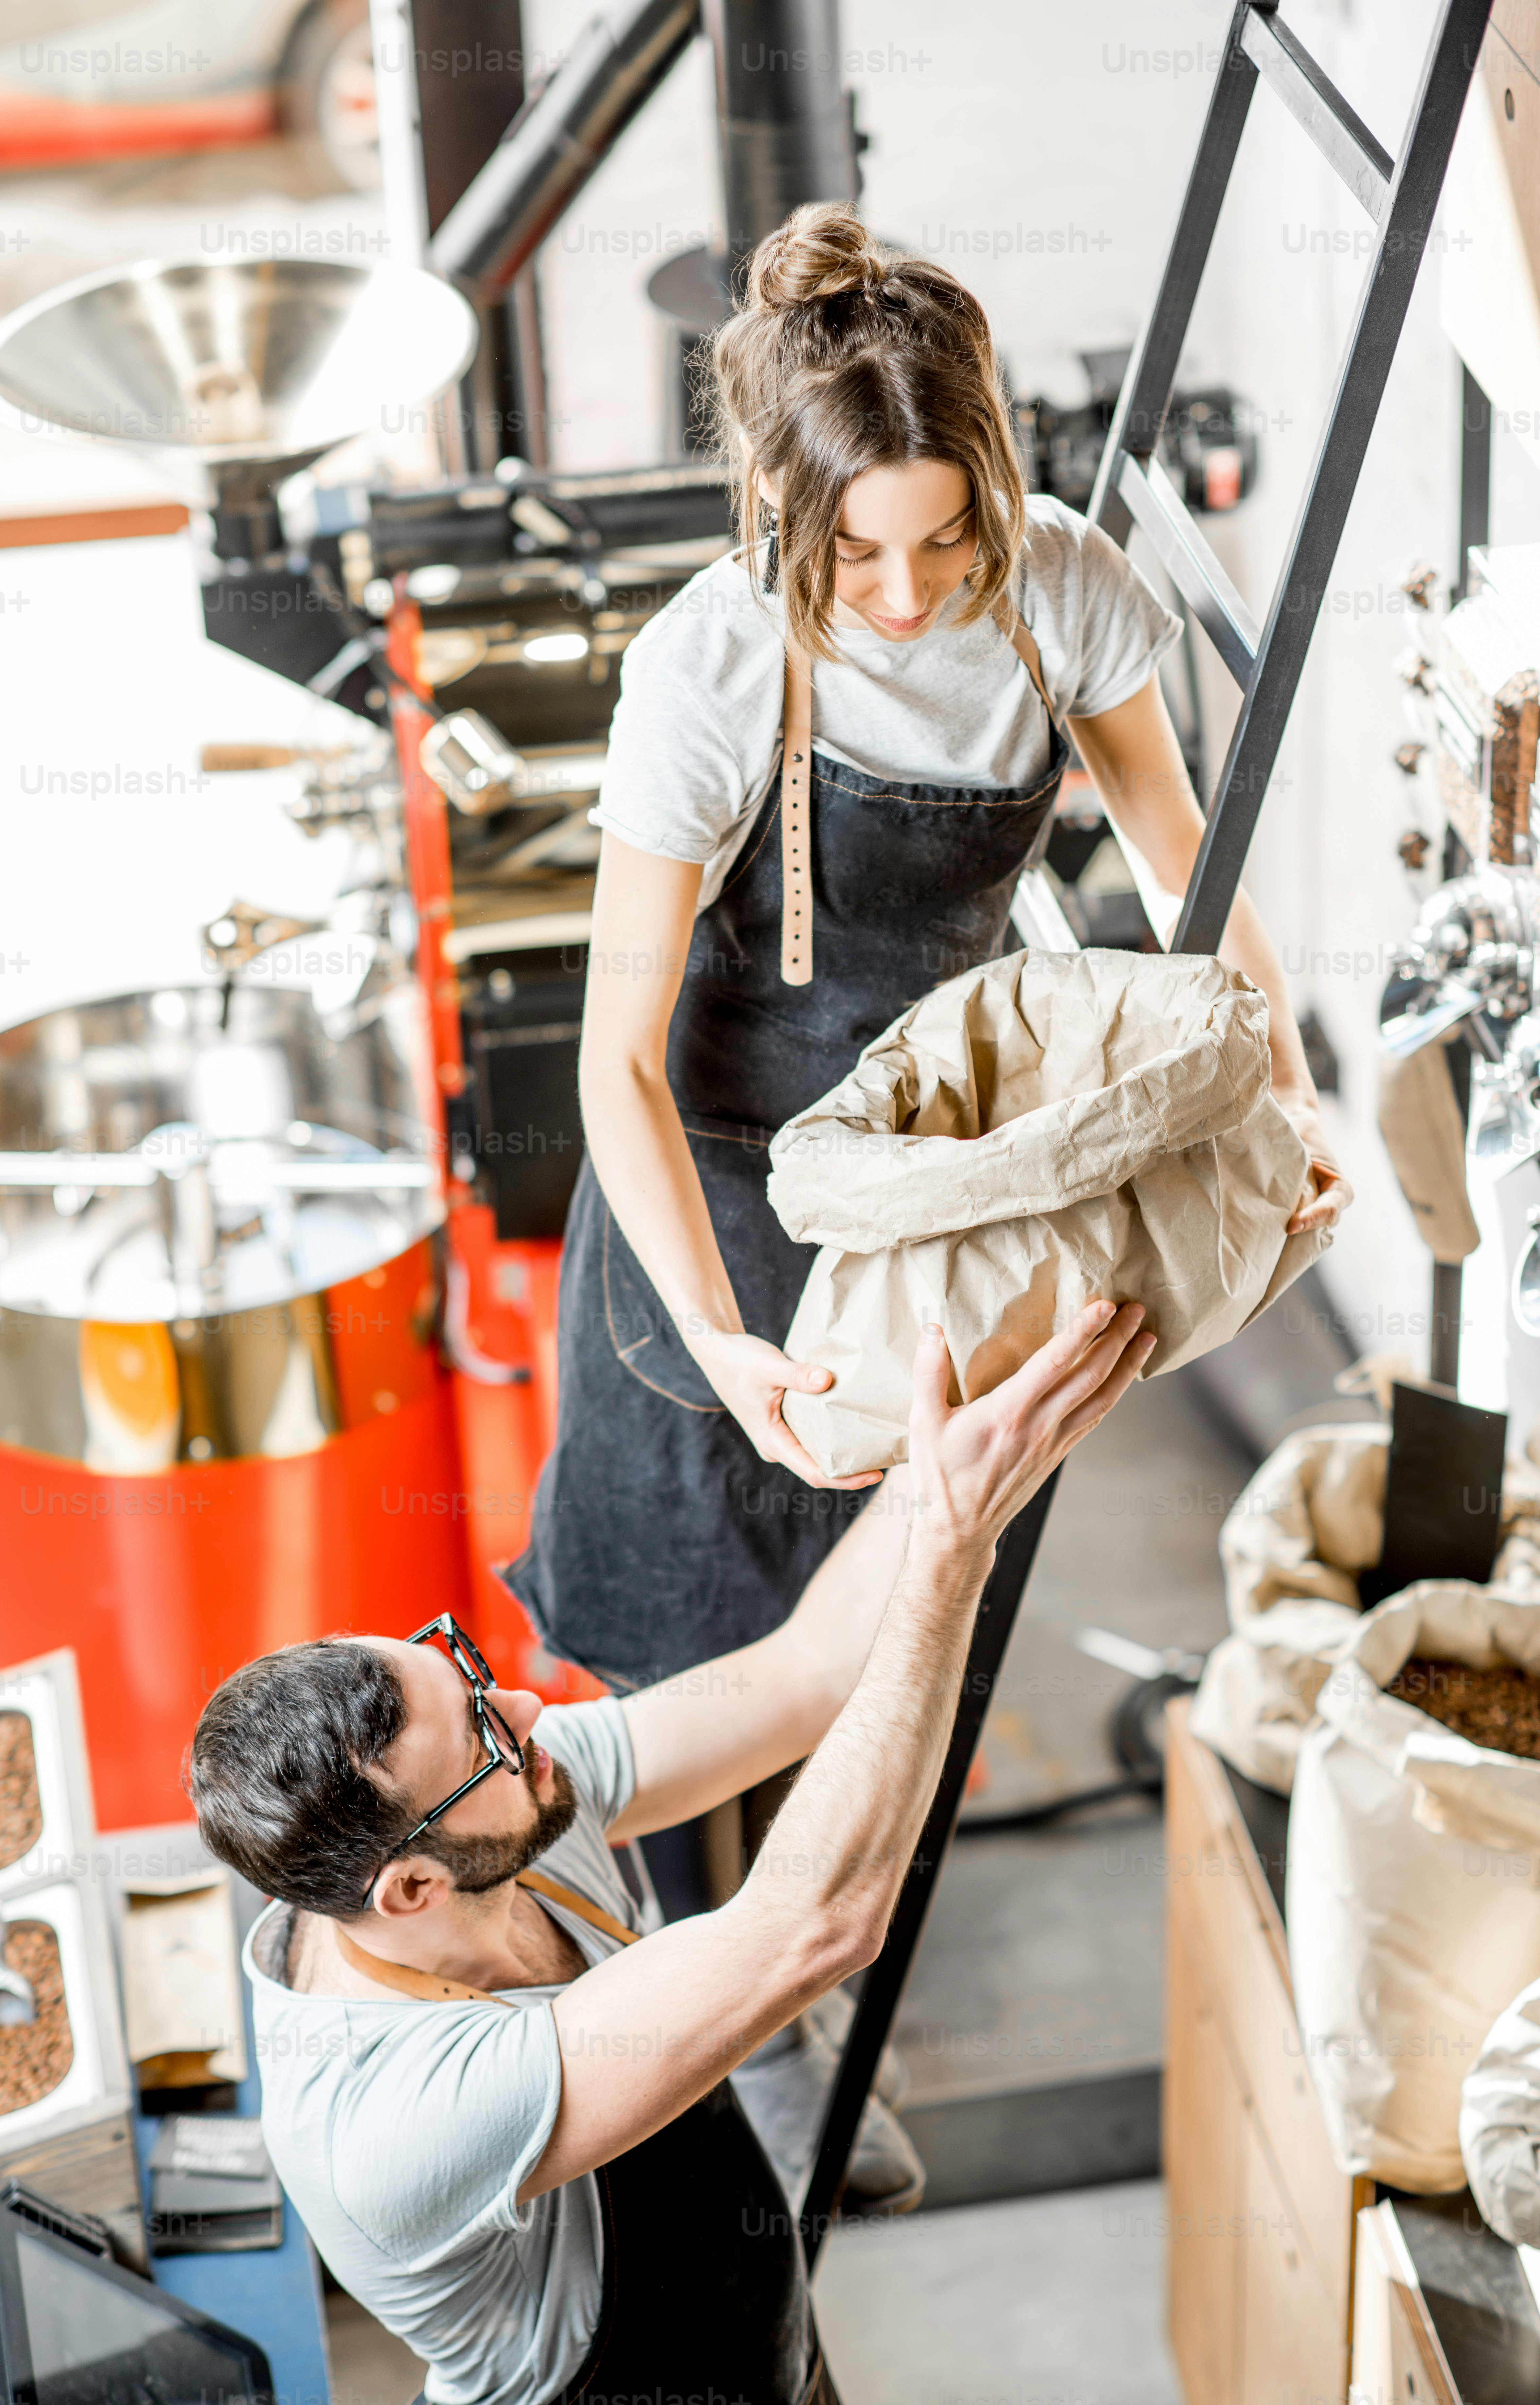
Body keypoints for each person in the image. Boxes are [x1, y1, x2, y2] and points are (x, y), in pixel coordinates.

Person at [500, 201, 1350, 1702]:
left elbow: (1182, 877)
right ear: (776, 491)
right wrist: (714, 1339)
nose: (905, 595)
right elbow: (616, 1064)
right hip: (725, 1199)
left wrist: (1283, 1096)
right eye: (855, 551)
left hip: (941, 1175)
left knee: (906, 1641)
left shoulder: (1062, 589)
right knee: (688, 1657)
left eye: (949, 536)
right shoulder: (712, 668)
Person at [188, 1299, 1153, 2405]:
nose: (531, 1708)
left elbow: (800, 1679)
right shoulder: (393, 2121)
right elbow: (816, 1927)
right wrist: (951, 1550)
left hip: (753, 2342)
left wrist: (964, 1430)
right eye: (487, 1729)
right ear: (410, 1887)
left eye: (463, 1667)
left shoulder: (490, 1814)